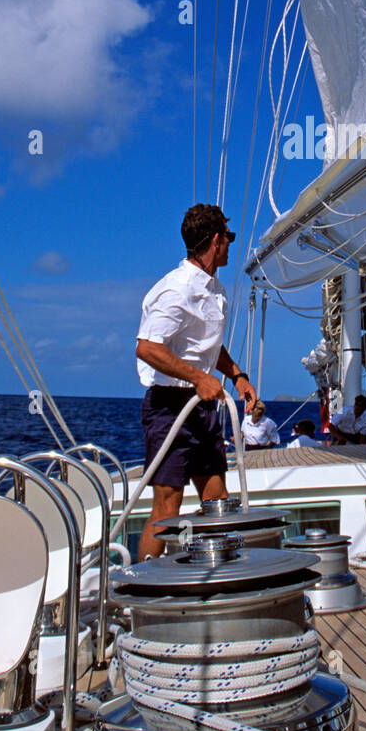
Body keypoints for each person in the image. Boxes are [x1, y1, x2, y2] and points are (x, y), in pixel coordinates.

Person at [135, 203, 257, 560]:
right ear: (217, 240)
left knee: (217, 499)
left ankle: (221, 581)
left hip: (202, 411)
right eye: (229, 238)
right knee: (166, 508)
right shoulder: (176, 290)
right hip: (170, 408)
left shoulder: (213, 288)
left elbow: (206, 345)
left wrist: (236, 375)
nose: (231, 245)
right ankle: (139, 593)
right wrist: (199, 378)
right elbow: (147, 347)